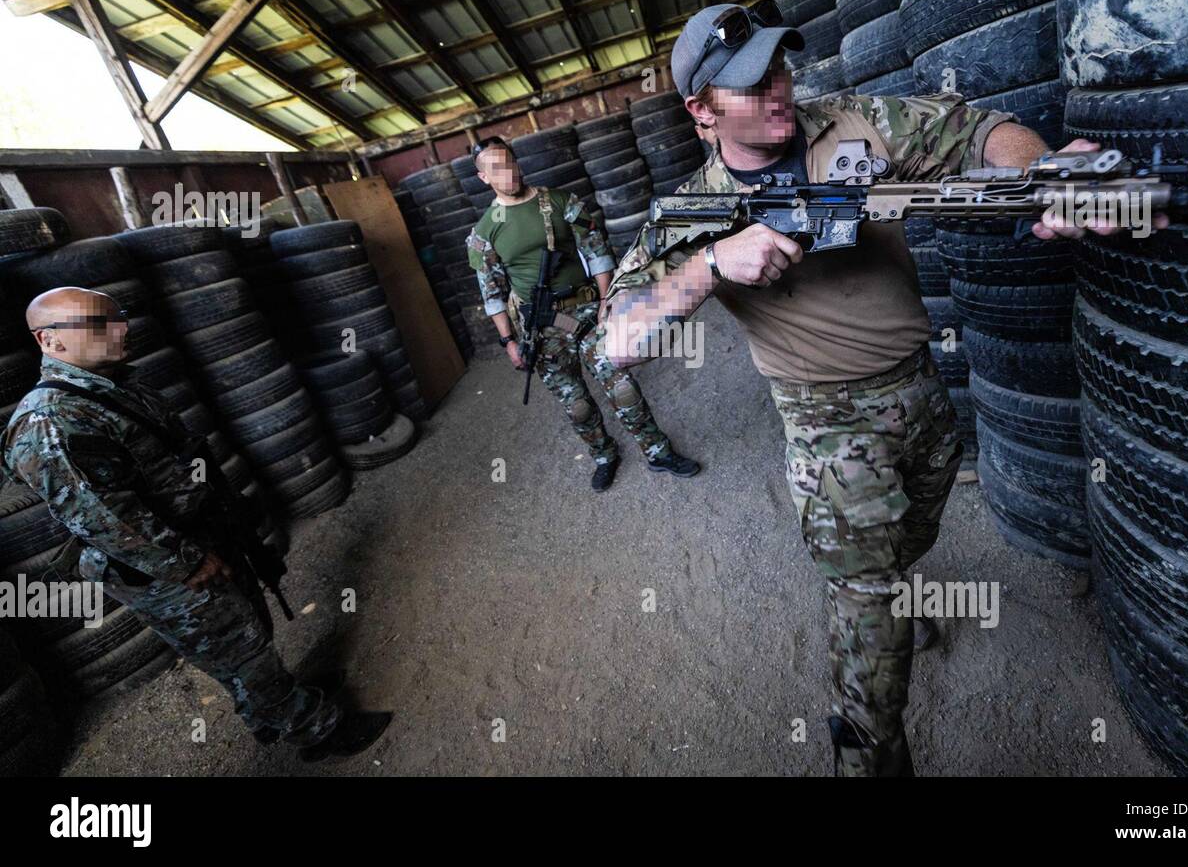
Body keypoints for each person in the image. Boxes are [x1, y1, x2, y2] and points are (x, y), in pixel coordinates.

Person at [602, 2, 1167, 776]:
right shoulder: (690, 213)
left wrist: (1041, 170)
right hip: (826, 427)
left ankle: (896, 591)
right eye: (748, 84)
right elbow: (617, 339)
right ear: (701, 111)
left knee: (911, 539)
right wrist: (709, 266)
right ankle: (870, 751)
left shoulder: (851, 124)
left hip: (920, 392)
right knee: (866, 604)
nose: (776, 90)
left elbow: (971, 132)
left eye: (778, 69)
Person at [1, 286, 391, 762]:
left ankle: (271, 709)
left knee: (246, 633)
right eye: (100, 324)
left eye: (118, 318)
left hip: (196, 536)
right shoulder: (50, 422)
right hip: (164, 565)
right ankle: (315, 730)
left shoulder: (114, 382)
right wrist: (185, 563)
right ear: (49, 341)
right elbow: (103, 517)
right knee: (238, 651)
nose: (121, 330)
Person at [466, 136, 700, 491]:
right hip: (540, 327)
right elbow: (492, 293)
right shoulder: (485, 232)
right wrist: (508, 342)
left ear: (517, 161)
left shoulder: (559, 202)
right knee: (576, 405)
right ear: (484, 177)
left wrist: (608, 302)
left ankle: (658, 452)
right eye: (494, 168)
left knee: (622, 387)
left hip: (589, 311)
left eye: (508, 161)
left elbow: (597, 252)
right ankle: (605, 456)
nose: (506, 172)